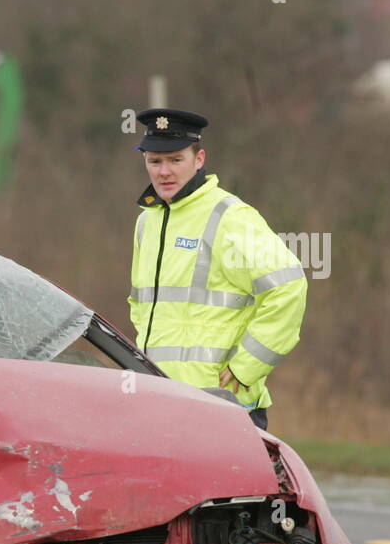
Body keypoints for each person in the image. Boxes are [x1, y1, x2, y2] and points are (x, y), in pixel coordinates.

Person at [128, 108, 306, 431]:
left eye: (175, 160)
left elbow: (288, 286)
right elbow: (141, 307)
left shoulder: (230, 216)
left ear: (199, 159)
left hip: (221, 407)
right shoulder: (146, 222)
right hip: (161, 402)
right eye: (155, 161)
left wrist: (245, 368)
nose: (164, 171)